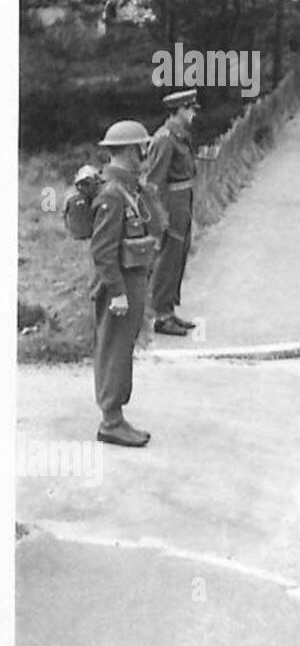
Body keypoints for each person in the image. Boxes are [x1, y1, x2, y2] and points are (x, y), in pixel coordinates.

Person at [90, 120, 164, 447]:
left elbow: (158, 223)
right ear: (133, 150)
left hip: (131, 280)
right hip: (117, 286)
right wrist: (117, 293)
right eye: (142, 147)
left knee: (123, 347)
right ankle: (110, 421)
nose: (145, 153)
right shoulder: (112, 193)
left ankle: (116, 416)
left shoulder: (129, 188)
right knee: (114, 350)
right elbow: (102, 251)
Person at [141, 89, 200, 336]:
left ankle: (169, 310)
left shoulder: (180, 136)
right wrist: (159, 216)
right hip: (171, 204)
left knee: (178, 256)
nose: (193, 114)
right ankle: (160, 316)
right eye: (190, 109)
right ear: (179, 111)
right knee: (168, 259)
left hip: (182, 200)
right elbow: (155, 181)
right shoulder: (165, 138)